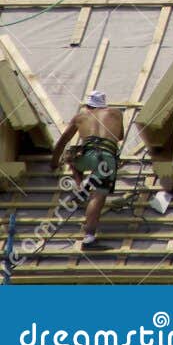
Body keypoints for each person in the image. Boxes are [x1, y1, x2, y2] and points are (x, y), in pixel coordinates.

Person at [49, 90, 125, 248]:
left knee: (70, 157)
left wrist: (54, 163)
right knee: (97, 197)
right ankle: (89, 236)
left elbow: (63, 140)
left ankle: (80, 186)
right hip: (106, 159)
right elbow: (120, 136)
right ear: (104, 104)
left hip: (86, 156)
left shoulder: (80, 117)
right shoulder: (116, 113)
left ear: (88, 105)